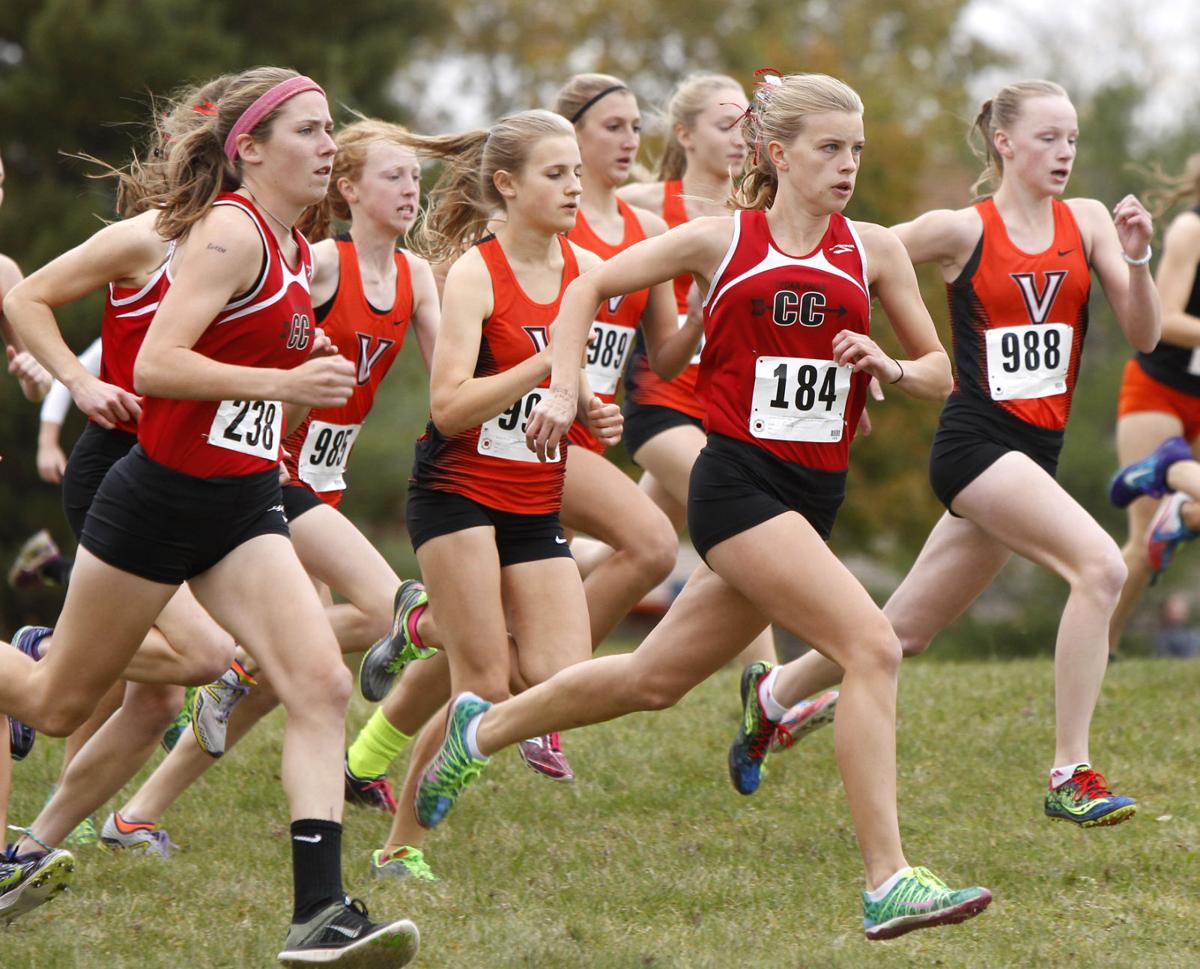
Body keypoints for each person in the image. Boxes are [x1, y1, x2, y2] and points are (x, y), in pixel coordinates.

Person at [409, 72, 992, 941]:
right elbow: (583, 289)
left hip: (811, 496)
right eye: (829, 148)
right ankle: (887, 879)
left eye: (857, 150)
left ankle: (481, 728)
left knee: (653, 680)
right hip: (737, 487)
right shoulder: (718, 241)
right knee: (870, 644)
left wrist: (890, 366)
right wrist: (564, 388)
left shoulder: (872, 249)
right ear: (777, 153)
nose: (847, 166)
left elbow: (942, 371)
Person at [0, 67, 417, 964]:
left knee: (319, 684)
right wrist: (282, 383)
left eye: (328, 130)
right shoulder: (227, 232)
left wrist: (299, 397)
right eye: (307, 131)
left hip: (240, 504)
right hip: (156, 501)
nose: (327, 146)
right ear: (249, 150)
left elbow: (252, 387)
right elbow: (155, 366)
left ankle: (320, 915)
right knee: (54, 699)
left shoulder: (297, 247)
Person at [746, 79, 1159, 830]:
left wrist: (1136, 259)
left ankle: (770, 700)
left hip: (1035, 457)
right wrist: (850, 364)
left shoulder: (1090, 221)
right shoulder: (959, 230)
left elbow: (1144, 336)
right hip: (975, 446)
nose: (1064, 152)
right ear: (1003, 142)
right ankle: (1072, 769)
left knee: (903, 631)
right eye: (1047, 138)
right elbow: (844, 258)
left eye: (1071, 139)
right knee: (1100, 566)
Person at [99, 117, 440, 844]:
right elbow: (197, 329)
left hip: (325, 477)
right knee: (394, 607)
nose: (410, 188)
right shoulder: (312, 259)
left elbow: (452, 386)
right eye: (393, 175)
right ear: (347, 188)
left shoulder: (417, 276)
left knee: (290, 678)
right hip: (270, 473)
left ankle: (137, 812)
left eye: (417, 175)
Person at [363, 109, 622, 882]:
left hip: (532, 496)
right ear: (507, 186)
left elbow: (567, 397)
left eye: (578, 170)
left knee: (562, 675)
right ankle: (398, 846)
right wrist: (543, 370)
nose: (575, 185)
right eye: (556, 173)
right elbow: (450, 407)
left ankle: (441, 653)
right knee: (480, 677)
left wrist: (589, 410)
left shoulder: (582, 273)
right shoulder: (477, 273)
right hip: (457, 495)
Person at [616, 73, 778, 669]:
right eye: (725, 124)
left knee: (635, 551)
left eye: (748, 126)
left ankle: (526, 625)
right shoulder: (647, 206)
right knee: (748, 528)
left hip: (733, 409)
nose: (741, 138)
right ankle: (767, 688)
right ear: (684, 134)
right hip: (665, 406)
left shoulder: (763, 212)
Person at [1104, 155, 1200, 639]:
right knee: (1141, 546)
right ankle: (1102, 648)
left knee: (1175, 519)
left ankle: (1180, 512)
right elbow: (1166, 321)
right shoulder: (1191, 228)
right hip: (1159, 392)